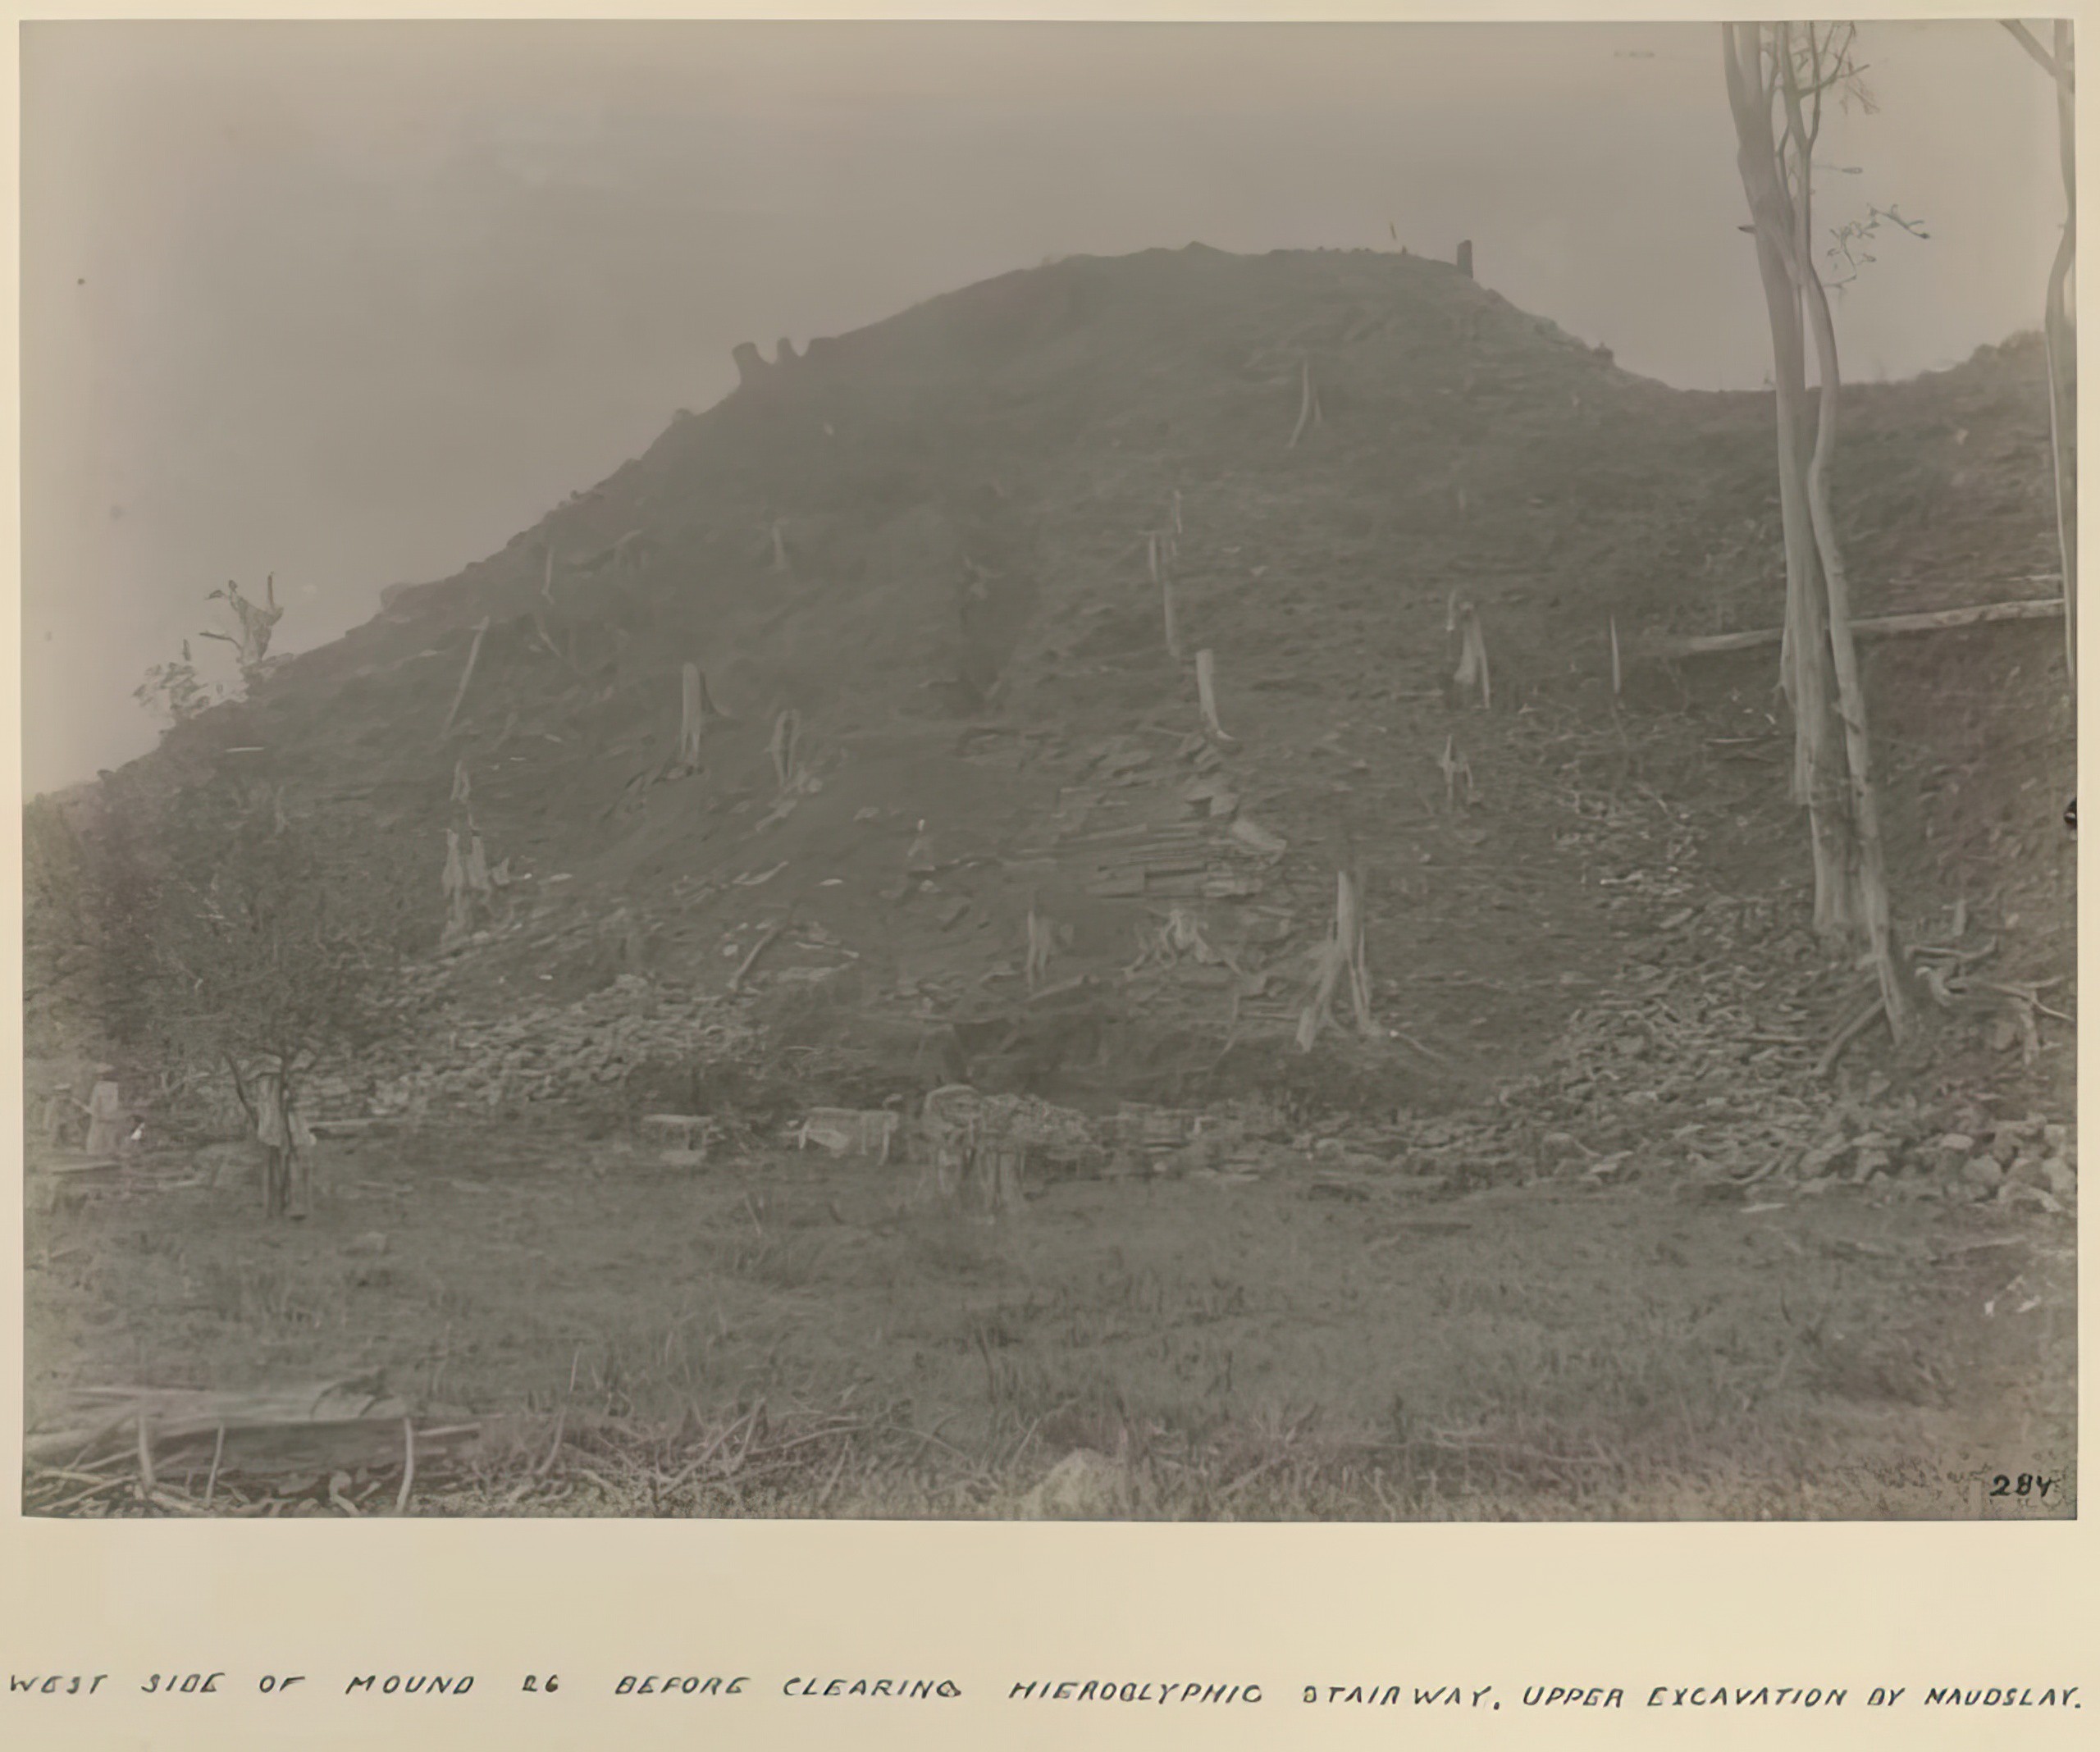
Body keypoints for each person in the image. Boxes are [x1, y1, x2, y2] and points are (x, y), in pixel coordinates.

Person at [83, 1068, 125, 1156]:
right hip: (109, 1114)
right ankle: (104, 1150)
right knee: (105, 1133)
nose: (100, 1077)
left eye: (102, 1075)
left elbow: (96, 1103)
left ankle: (101, 1151)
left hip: (105, 1115)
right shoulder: (114, 1086)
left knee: (103, 1134)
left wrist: (95, 1113)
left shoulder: (101, 1087)